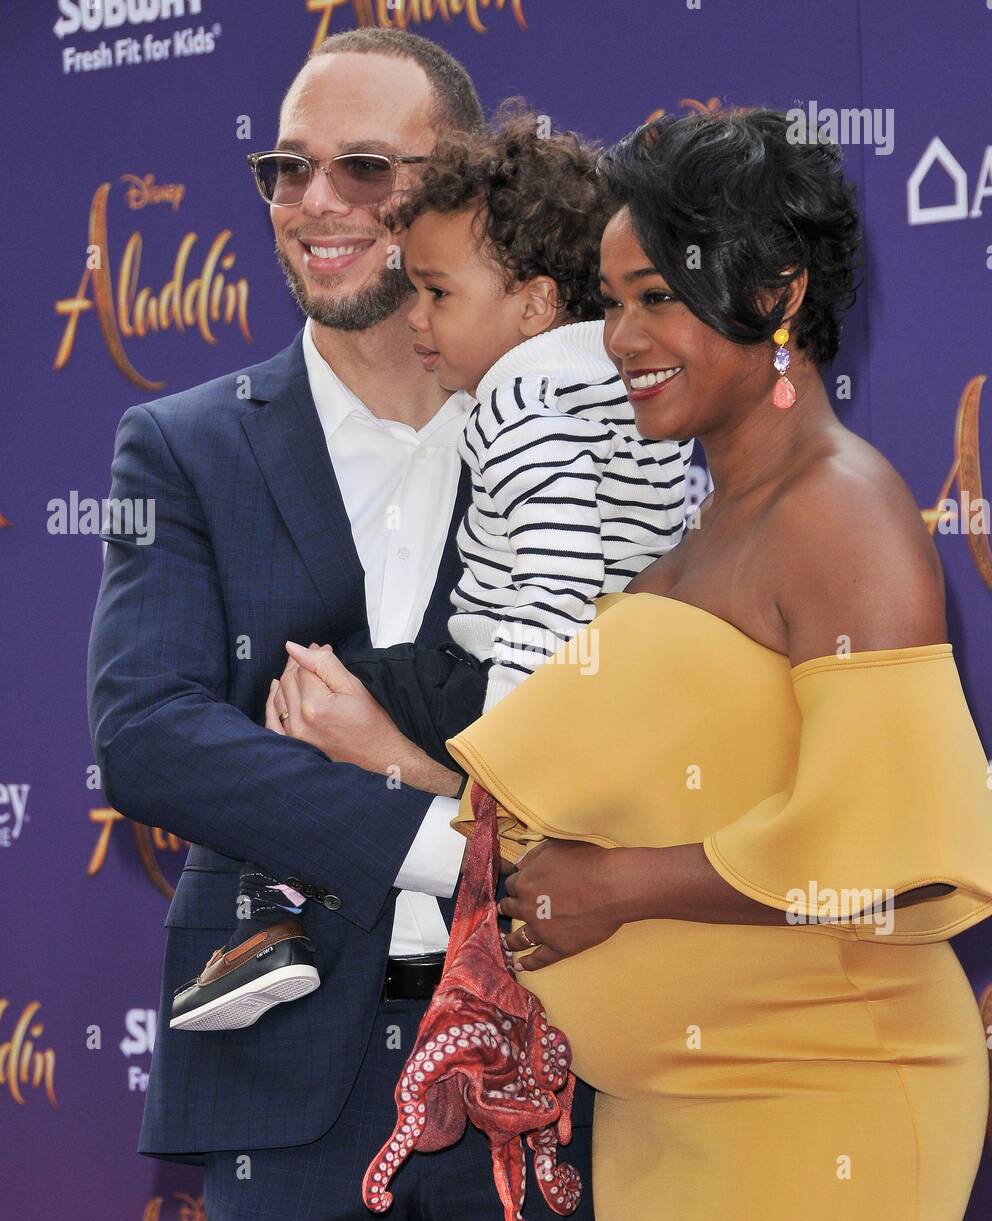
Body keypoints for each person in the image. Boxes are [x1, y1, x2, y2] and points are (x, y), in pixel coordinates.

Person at [430, 109, 992, 1221]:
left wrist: (618, 887)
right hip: (669, 1122)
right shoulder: (704, 521)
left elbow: (899, 846)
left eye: (656, 295)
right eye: (608, 301)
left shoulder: (839, 511)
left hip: (821, 1100)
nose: (620, 339)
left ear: (775, 291)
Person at [87, 28, 607, 1221]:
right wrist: (439, 838)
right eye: (285, 167)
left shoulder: (588, 436)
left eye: (364, 167)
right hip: (287, 1093)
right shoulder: (181, 445)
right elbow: (147, 729)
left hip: (554, 1065)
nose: (314, 202)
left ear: (464, 194)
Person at [169, 105, 691, 1033]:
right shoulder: (620, 379)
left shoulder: (520, 394)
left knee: (301, 696)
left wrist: (504, 757)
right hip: (613, 690)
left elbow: (555, 579)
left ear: (532, 303)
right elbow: (667, 527)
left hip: (504, 686)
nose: (415, 317)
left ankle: (269, 923)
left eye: (438, 294)